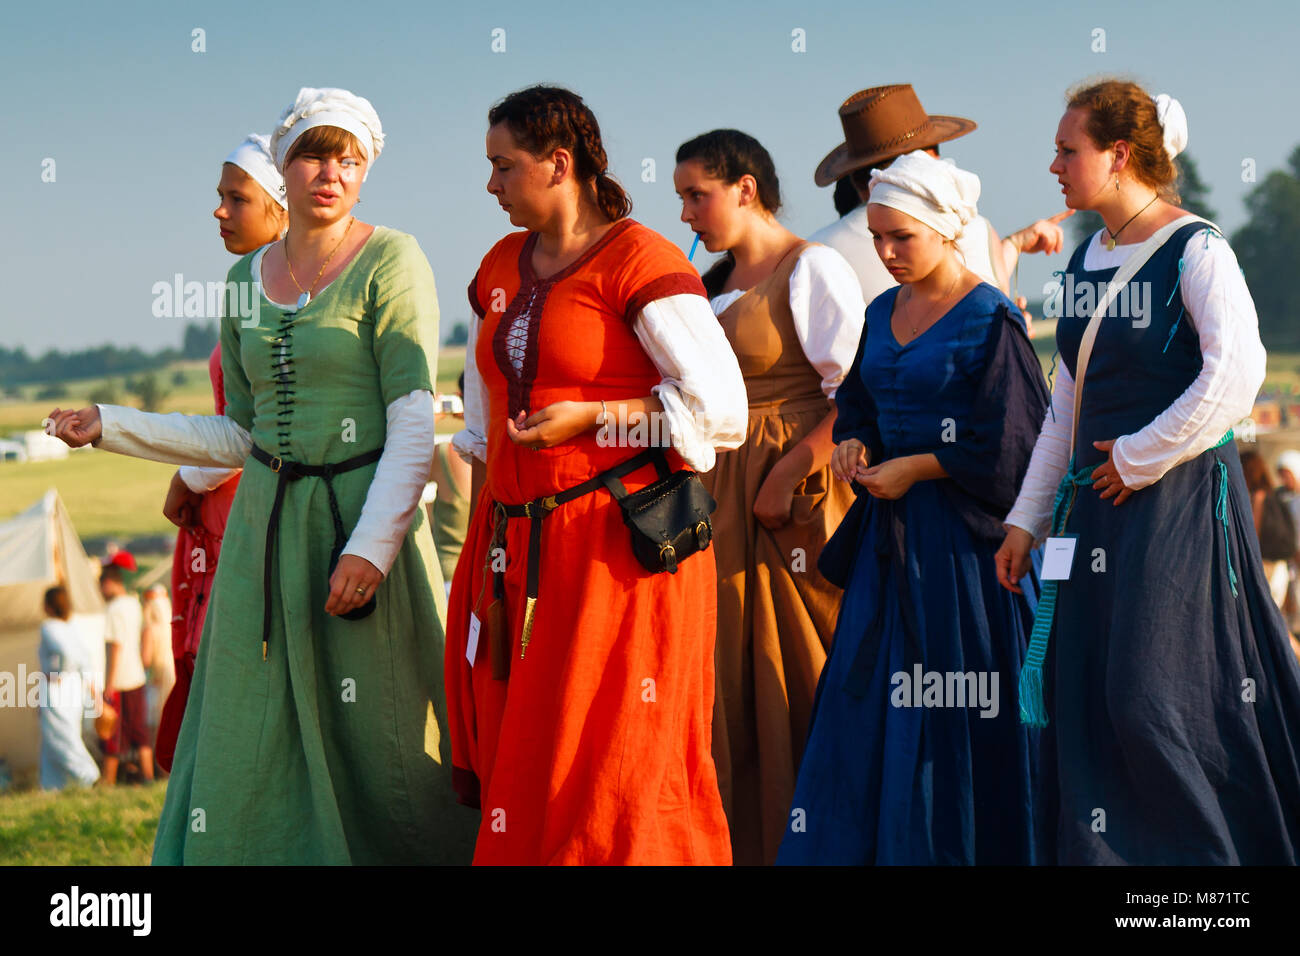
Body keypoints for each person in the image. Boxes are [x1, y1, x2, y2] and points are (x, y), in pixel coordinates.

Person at [49, 87, 477, 864]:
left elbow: (413, 419)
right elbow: (238, 431)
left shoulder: (393, 259)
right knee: (250, 727)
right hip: (266, 532)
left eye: (350, 159)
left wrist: (371, 549)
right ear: (286, 165)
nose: (332, 173)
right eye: (315, 154)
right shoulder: (245, 282)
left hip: (359, 517)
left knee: (381, 731)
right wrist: (112, 424)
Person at [996, 80, 1300, 864]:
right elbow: (1068, 401)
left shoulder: (1197, 248)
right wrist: (1027, 520)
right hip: (1094, 513)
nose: (1054, 164)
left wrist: (1136, 458)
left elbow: (1237, 376)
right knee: (1088, 695)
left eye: (1069, 149)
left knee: (1153, 695)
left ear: (1119, 154)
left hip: (1180, 508)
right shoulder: (1092, 253)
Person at [445, 85, 748, 865]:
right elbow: (483, 426)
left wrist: (596, 418)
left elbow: (720, 412)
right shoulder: (496, 268)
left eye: (503, 167)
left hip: (620, 557)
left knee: (617, 761)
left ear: (558, 162)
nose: (491, 185)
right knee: (532, 750)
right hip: (518, 547)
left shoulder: (640, 261)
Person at [776, 150, 1048, 865]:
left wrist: (921, 467)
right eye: (877, 238)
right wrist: (856, 444)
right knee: (869, 717)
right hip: (888, 556)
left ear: (945, 229)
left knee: (958, 724)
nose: (888, 253)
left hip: (966, 562)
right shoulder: (879, 311)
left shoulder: (992, 321)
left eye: (903, 237)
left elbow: (1016, 447)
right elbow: (859, 401)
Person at [673, 129, 864, 865]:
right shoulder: (707, 284)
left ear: (745, 188)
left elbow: (854, 395)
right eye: (682, 197)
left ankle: (827, 838)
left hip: (791, 496)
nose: (688, 212)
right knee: (726, 680)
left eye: (699, 194)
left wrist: (787, 475)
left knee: (799, 667)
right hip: (712, 495)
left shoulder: (811, 269)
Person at [155, 135, 289, 772]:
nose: (219, 212)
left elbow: (258, 425)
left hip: (247, 503)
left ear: (281, 208)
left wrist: (187, 473)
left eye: (237, 198)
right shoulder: (247, 286)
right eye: (220, 198)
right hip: (218, 504)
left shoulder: (285, 295)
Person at [810, 84, 1071, 328]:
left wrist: (1014, 244)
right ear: (921, 166)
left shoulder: (817, 251)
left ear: (855, 176)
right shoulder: (973, 226)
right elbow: (987, 291)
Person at [38, 587, 100, 790]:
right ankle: (52, 786)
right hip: (75, 687)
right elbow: (85, 660)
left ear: (48, 605)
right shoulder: (73, 626)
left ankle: (88, 775)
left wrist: (58, 671)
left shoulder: (50, 627)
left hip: (58, 688)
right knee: (54, 738)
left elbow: (65, 652)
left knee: (61, 735)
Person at [98, 564, 151, 785]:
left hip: (120, 679)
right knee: (139, 730)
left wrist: (109, 684)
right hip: (137, 675)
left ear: (108, 582)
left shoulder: (113, 610)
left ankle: (108, 781)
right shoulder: (133, 603)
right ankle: (148, 777)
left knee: (113, 733)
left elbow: (116, 647)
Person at [429, 371, 471, 593]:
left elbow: (400, 465)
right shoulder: (506, 452)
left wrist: (426, 423)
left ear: (459, 398)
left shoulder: (445, 454)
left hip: (448, 578)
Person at [1241, 450, 1297, 610]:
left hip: (1266, 566)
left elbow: (1254, 534)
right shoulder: (1274, 494)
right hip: (1280, 564)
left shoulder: (1257, 497)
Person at [139, 584, 175, 738]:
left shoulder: (149, 629)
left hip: (153, 680)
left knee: (152, 730)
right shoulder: (173, 626)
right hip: (170, 678)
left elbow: (145, 660)